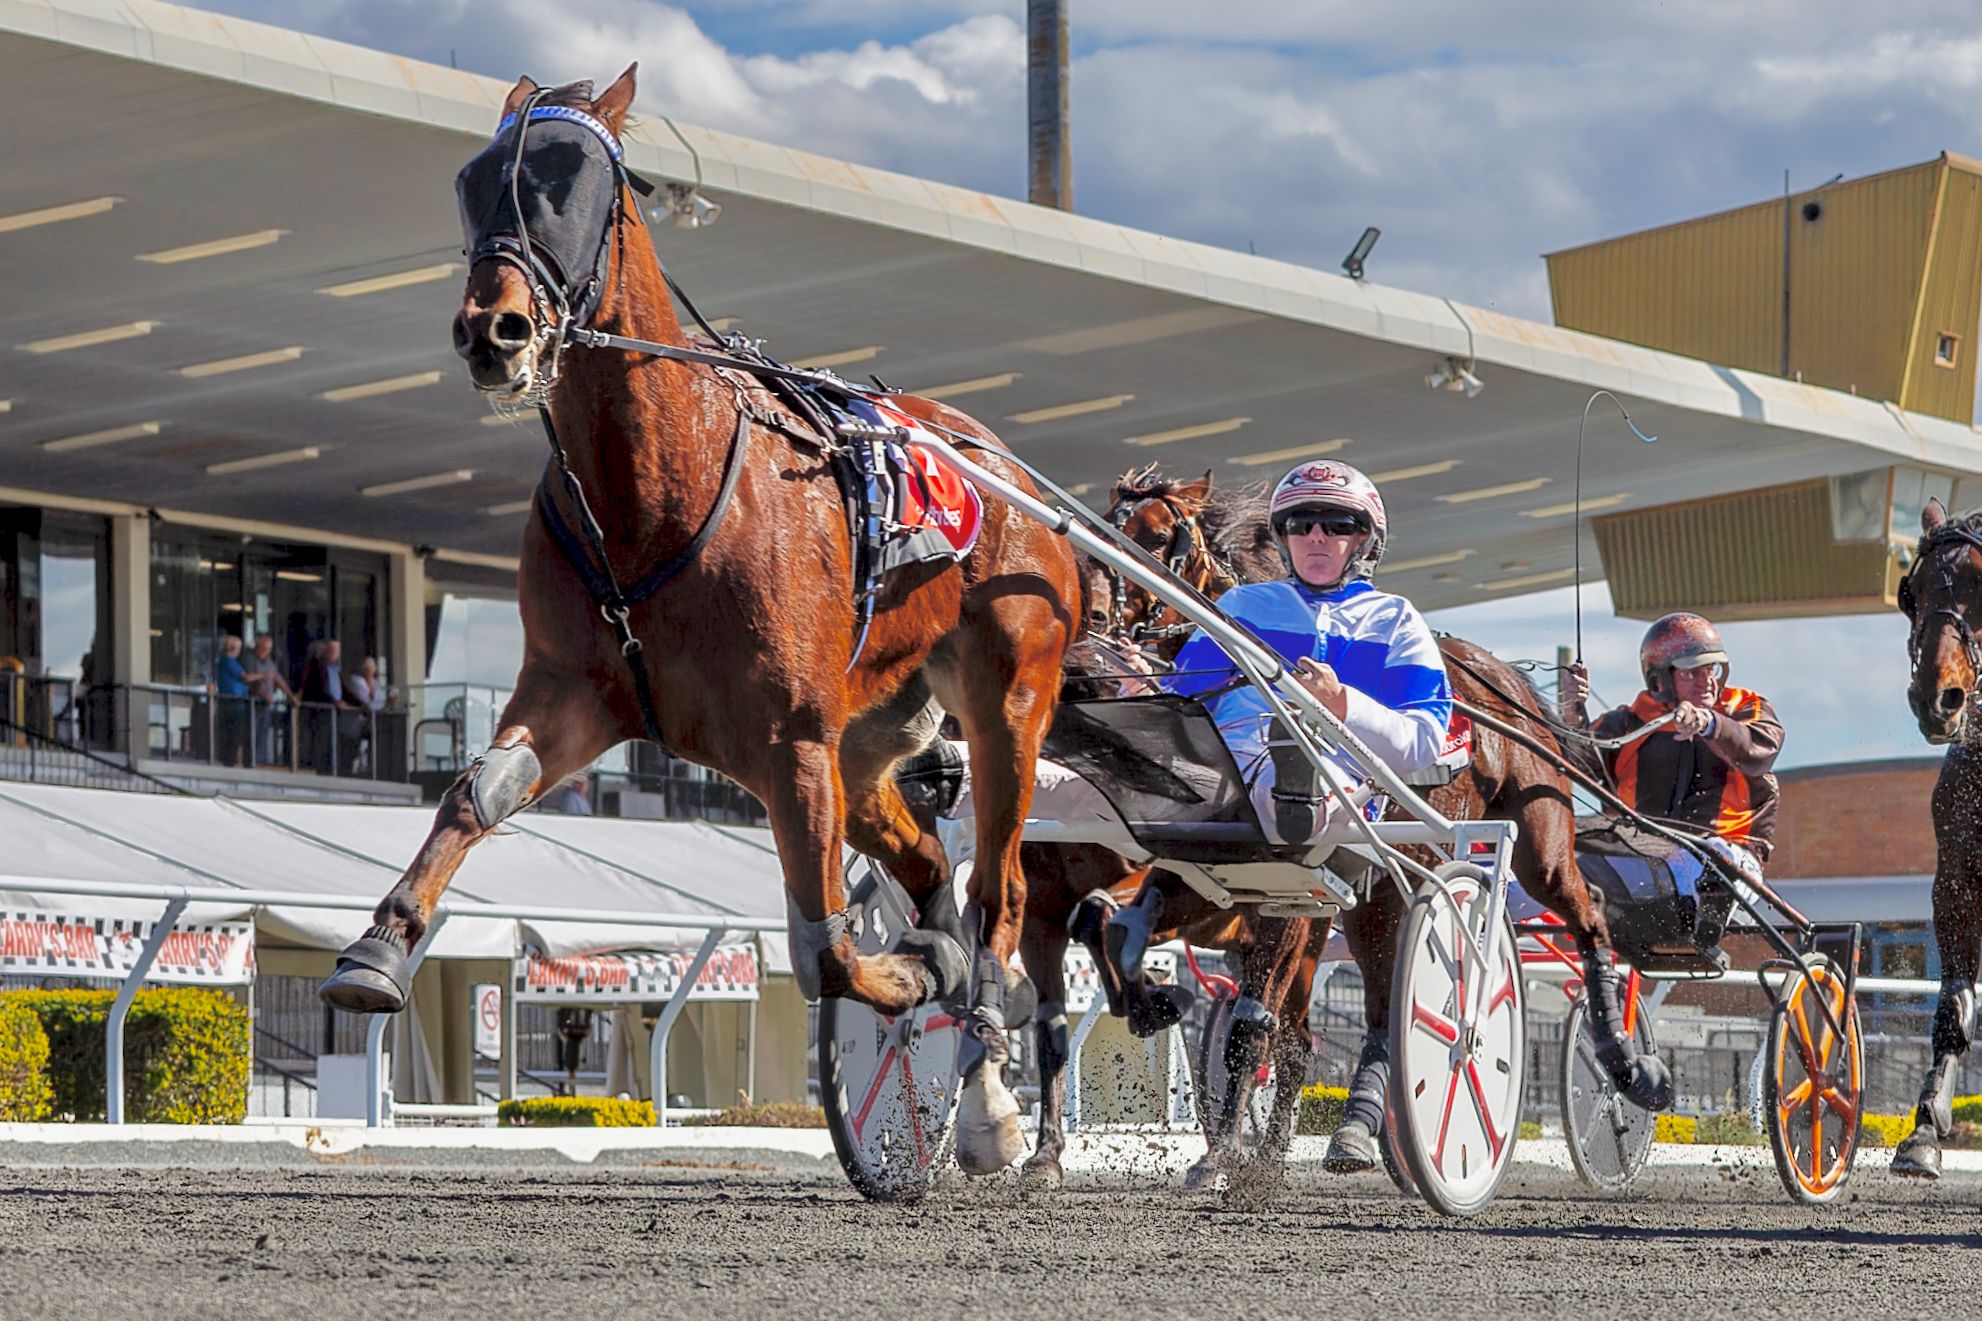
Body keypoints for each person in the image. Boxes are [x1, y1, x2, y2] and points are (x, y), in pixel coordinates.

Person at [1164, 459, 1453, 843]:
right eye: (1300, 526)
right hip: (1218, 773)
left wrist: (1339, 703)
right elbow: (1179, 700)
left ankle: (1295, 780)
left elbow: (1422, 742)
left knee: (1292, 786)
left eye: (1337, 526)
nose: (1316, 537)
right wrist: (1135, 695)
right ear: (1283, 538)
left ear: (1364, 541)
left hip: (1339, 779)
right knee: (1074, 784)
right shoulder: (1239, 605)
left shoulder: (1395, 618)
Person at [1562, 612, 1783, 869]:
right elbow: (1578, 765)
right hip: (1640, 854)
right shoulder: (1626, 723)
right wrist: (1572, 712)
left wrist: (1707, 723)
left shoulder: (1745, 709)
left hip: (1729, 856)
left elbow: (1760, 749)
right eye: (1691, 673)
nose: (1707, 682)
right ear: (1660, 678)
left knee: (1693, 864)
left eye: (1711, 669)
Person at [242, 633, 292, 768]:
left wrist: (291, 696)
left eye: (268, 649)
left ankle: (261, 760)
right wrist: (265, 692)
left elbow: (277, 678)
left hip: (266, 704)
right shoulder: (250, 659)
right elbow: (251, 681)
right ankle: (251, 760)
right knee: (253, 731)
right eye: (264, 648)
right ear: (258, 647)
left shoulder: (269, 661)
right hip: (253, 702)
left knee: (263, 731)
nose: (266, 651)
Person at [212, 634, 250, 768]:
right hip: (233, 703)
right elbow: (245, 677)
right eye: (239, 647)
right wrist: (265, 676)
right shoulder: (228, 661)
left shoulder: (223, 661)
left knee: (230, 732)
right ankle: (230, 759)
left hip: (232, 702)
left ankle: (229, 758)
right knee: (233, 732)